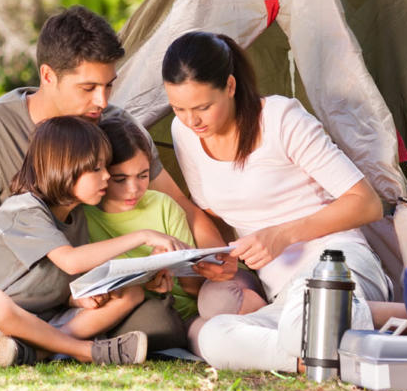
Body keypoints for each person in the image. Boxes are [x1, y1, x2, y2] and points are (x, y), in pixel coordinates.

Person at [0, 6, 233, 362]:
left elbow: (182, 206)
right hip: (19, 293)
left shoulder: (118, 127)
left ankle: (36, 347)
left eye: (109, 85)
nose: (102, 101)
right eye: (88, 88)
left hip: (83, 295)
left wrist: (221, 262)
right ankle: (62, 347)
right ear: (48, 76)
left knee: (158, 322)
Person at [161, 30, 393, 372]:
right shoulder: (185, 134)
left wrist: (282, 235)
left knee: (307, 314)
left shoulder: (281, 120)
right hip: (282, 298)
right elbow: (220, 210)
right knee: (210, 334)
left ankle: (341, 332)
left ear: (230, 86)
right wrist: (226, 259)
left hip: (337, 264)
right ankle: (310, 358)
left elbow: (366, 203)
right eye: (178, 108)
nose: (191, 120)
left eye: (203, 107)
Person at [0, 116, 187, 366]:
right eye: (97, 169)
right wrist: (143, 236)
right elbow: (70, 262)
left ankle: (42, 350)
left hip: (49, 324)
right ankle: (85, 350)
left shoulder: (76, 215)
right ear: (64, 169)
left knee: (130, 293)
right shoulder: (22, 210)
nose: (107, 176)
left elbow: (55, 283)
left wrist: (78, 298)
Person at [84, 115, 266, 354]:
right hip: (174, 319)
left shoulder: (162, 204)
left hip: (203, 296)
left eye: (143, 175)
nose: (134, 189)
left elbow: (194, 286)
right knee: (209, 340)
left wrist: (173, 266)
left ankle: (273, 319)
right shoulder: (86, 217)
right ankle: (269, 346)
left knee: (218, 302)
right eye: (121, 179)